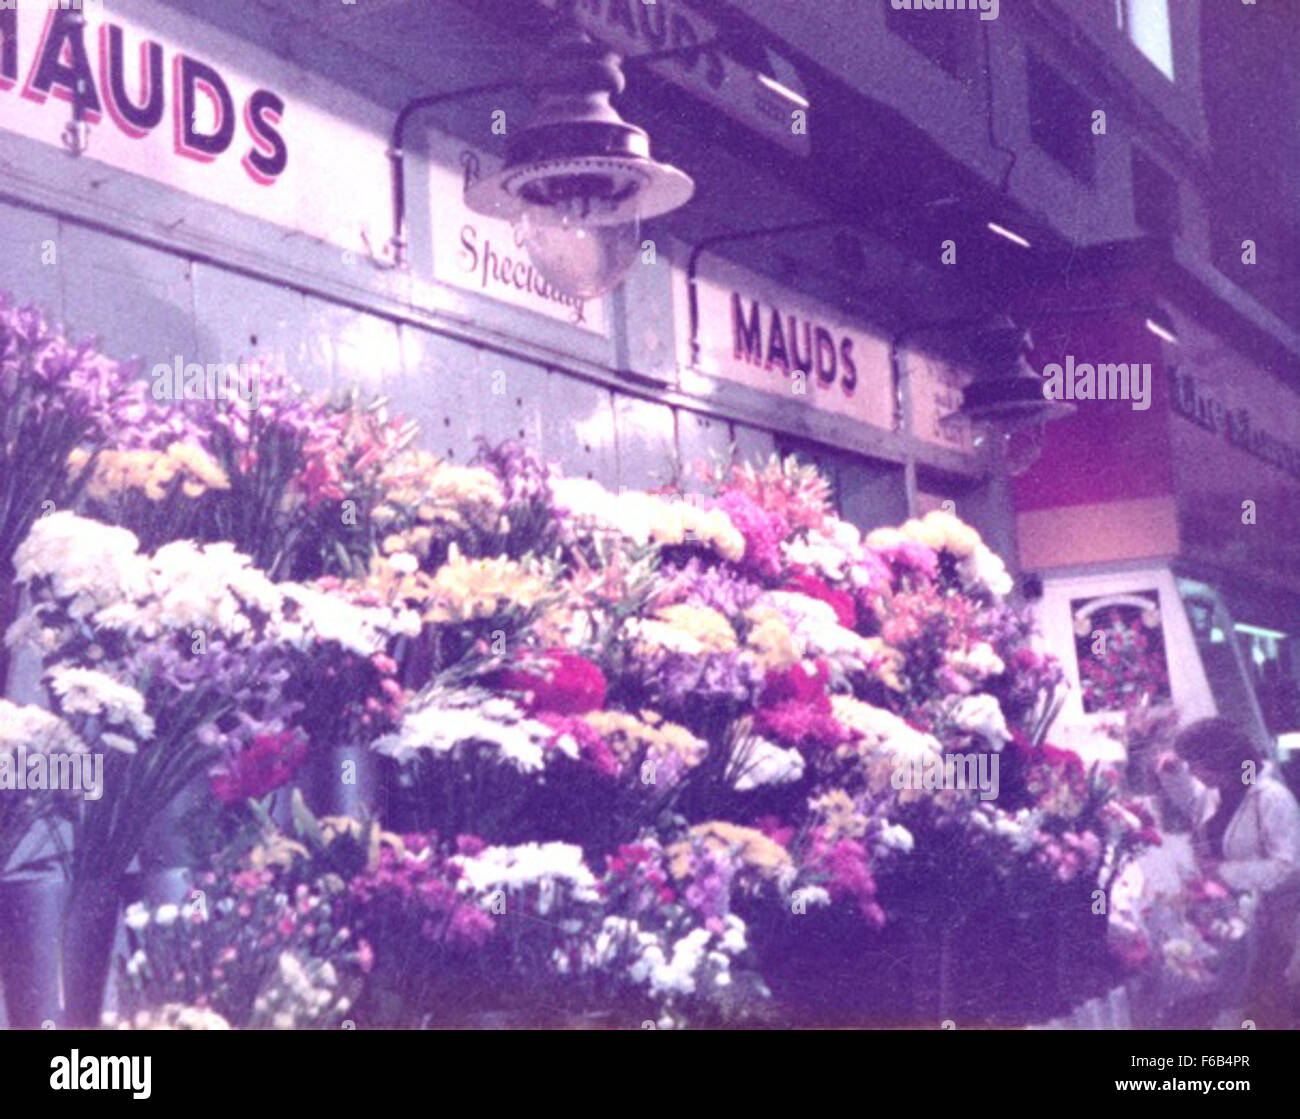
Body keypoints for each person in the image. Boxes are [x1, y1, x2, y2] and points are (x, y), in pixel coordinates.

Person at [1157, 717, 1300, 1029]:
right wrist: (1175, 774)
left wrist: (1225, 873)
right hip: (1237, 911)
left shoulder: (1272, 798)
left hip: (1283, 916)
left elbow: (1289, 866)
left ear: (1218, 760)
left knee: (1268, 994)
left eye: (1196, 764)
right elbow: (1196, 801)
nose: (1193, 771)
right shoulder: (1225, 788)